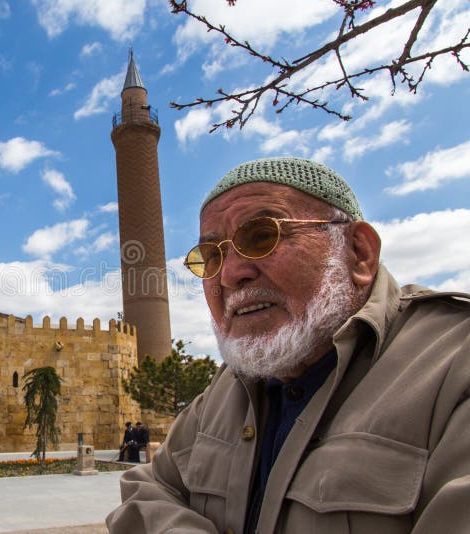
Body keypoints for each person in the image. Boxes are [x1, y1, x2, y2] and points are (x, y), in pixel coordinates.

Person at [107, 157, 470, 533]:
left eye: (263, 237)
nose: (231, 274)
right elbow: (149, 487)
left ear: (359, 253)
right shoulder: (227, 390)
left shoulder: (453, 366)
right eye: (212, 256)